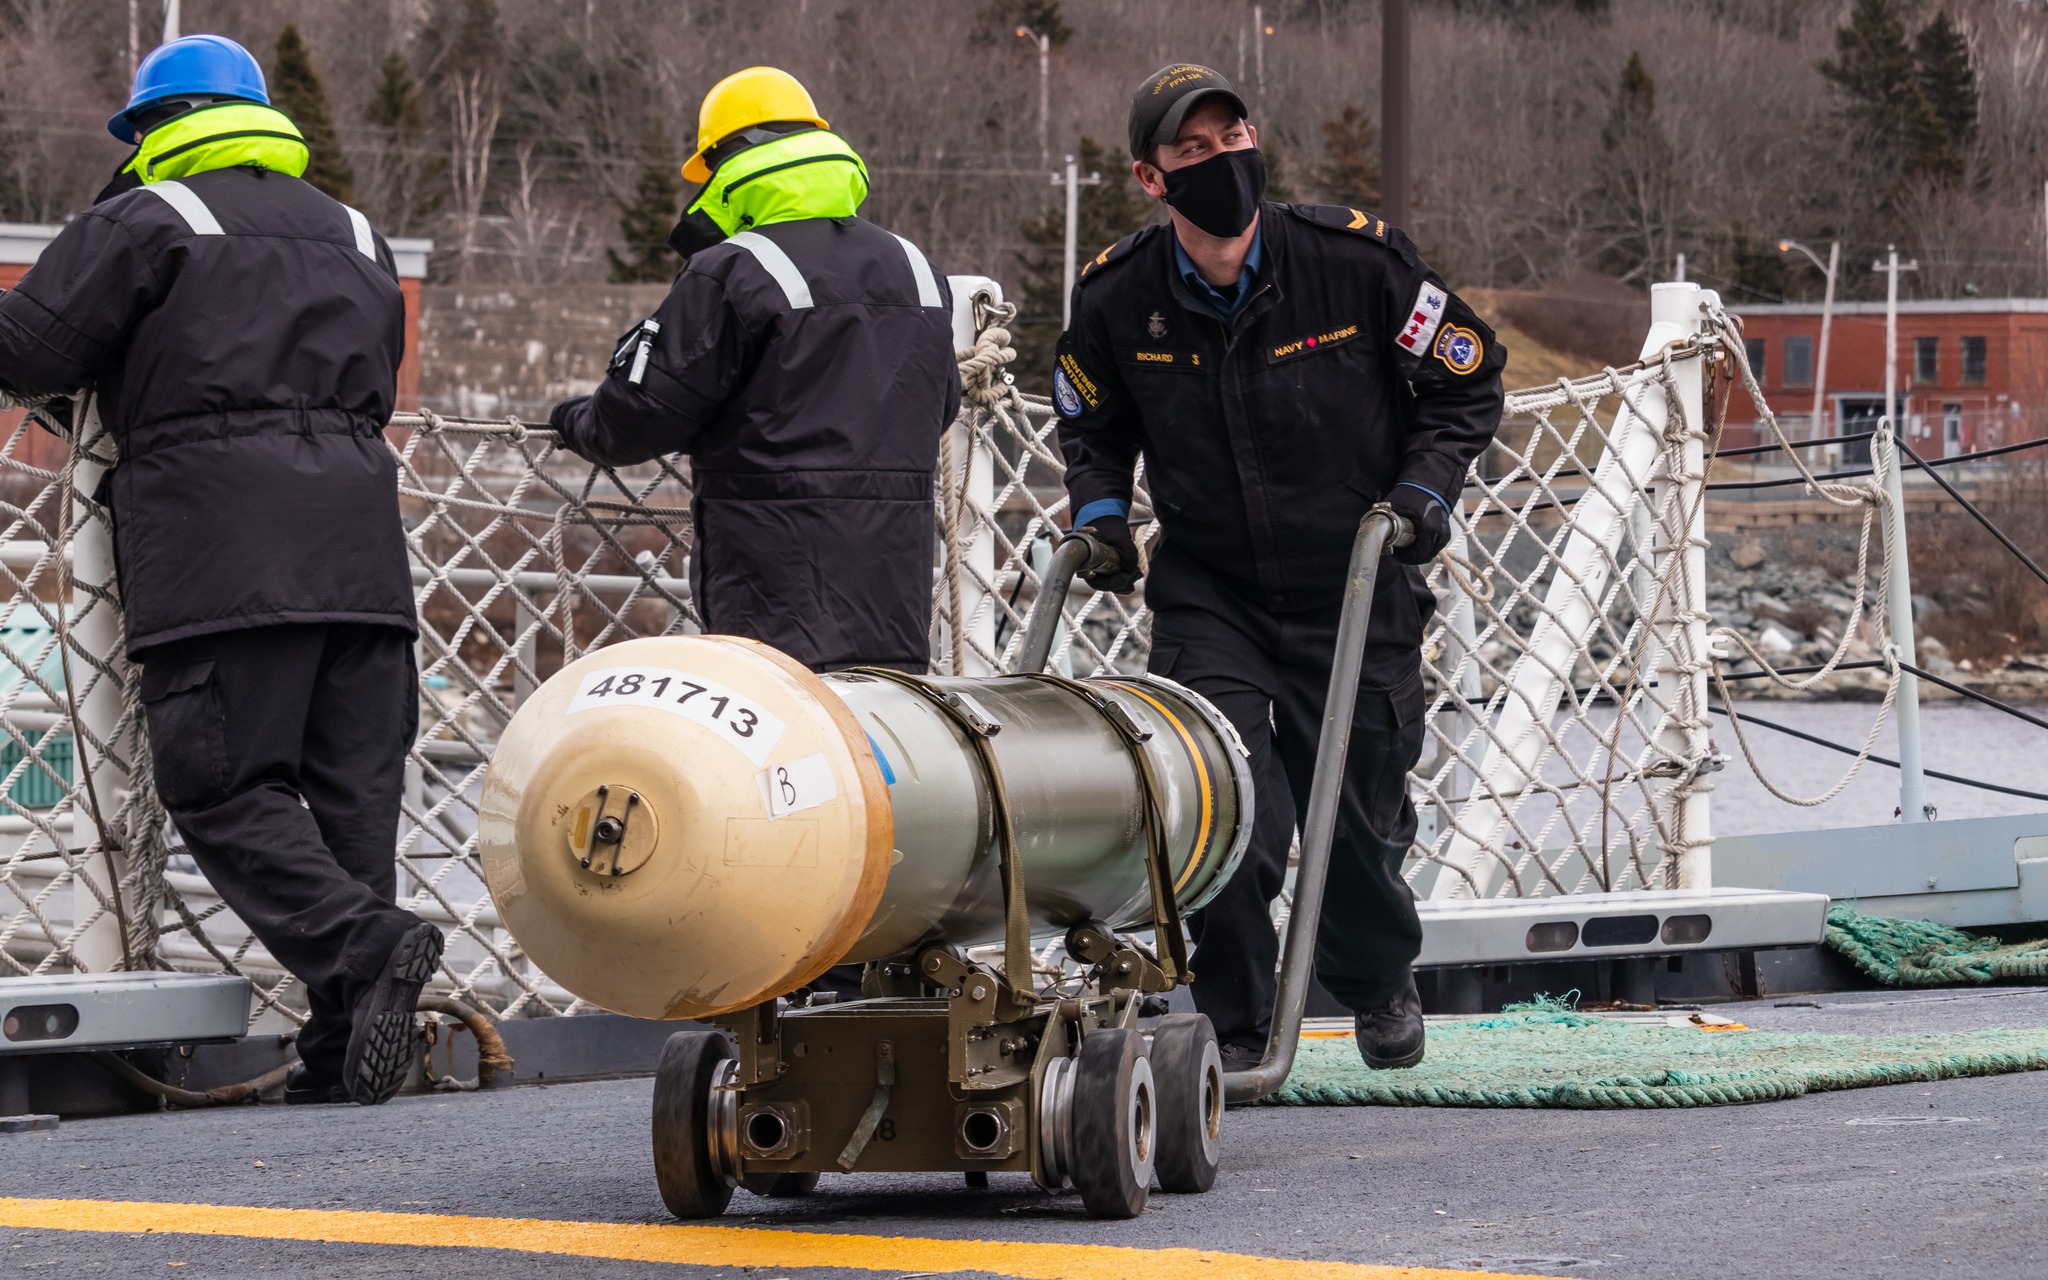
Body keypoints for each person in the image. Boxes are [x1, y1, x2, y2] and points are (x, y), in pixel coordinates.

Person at [0, 35, 442, 1106]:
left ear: (154, 128)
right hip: (363, 556)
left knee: (226, 789)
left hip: (222, 553)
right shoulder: (356, 231)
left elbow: (27, 348)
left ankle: (366, 944)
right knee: (351, 806)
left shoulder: (151, 218)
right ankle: (340, 1053)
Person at [1052, 64, 1505, 1071]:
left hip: (1356, 577)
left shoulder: (1355, 265)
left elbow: (1466, 383)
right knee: (1221, 804)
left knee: (1357, 820)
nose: (1223, 159)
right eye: (1193, 150)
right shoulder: (1119, 296)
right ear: (1151, 178)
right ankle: (1234, 1023)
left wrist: (1423, 492)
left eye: (1233, 137)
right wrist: (1099, 511)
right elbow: (1089, 422)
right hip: (1212, 590)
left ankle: (1376, 979)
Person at [549, 66, 961, 675]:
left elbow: (636, 418)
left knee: (776, 732)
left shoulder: (734, 269)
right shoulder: (915, 267)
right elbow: (940, 406)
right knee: (868, 732)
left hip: (772, 602)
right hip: (893, 602)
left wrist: (570, 420)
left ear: (727, 161)